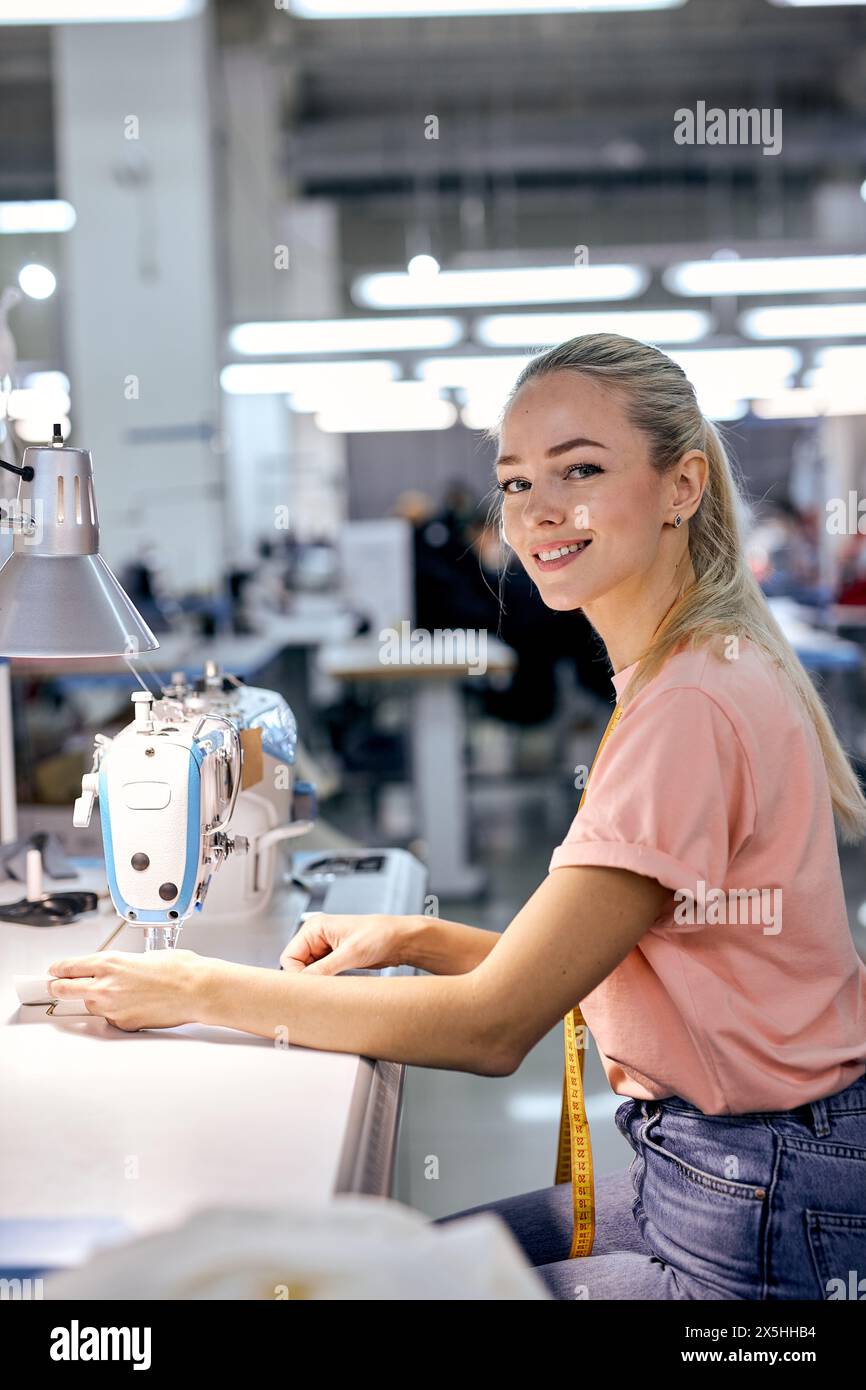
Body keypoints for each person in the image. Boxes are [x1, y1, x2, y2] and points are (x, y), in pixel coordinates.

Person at [48, 334, 866, 1301]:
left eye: (582, 470)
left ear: (682, 486)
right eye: (516, 483)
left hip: (758, 1217)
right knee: (373, 1262)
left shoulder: (688, 705)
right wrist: (425, 936)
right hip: (721, 1175)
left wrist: (198, 989)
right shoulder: (700, 664)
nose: (539, 512)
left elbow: (491, 1030)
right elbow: (653, 963)